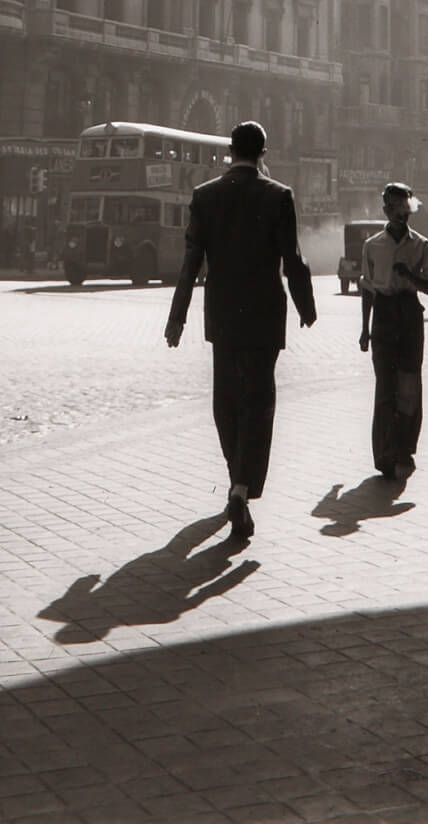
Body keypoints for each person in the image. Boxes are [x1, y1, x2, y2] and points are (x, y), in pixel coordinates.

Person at [165, 120, 317, 541]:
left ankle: (236, 478)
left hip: (223, 314)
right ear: (263, 153)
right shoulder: (279, 195)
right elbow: (293, 258)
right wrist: (306, 306)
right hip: (265, 314)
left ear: (230, 152)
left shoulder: (205, 195)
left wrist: (177, 317)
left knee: (226, 400)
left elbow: (191, 262)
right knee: (259, 400)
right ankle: (243, 487)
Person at [358, 182, 428, 482]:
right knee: (385, 387)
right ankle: (384, 453)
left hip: (409, 315)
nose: (400, 214)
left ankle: (404, 448)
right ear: (386, 210)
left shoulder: (421, 245)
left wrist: (411, 277)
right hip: (383, 316)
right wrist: (364, 329)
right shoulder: (373, 246)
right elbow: (368, 288)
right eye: (394, 208)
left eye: (405, 208)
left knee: (408, 386)